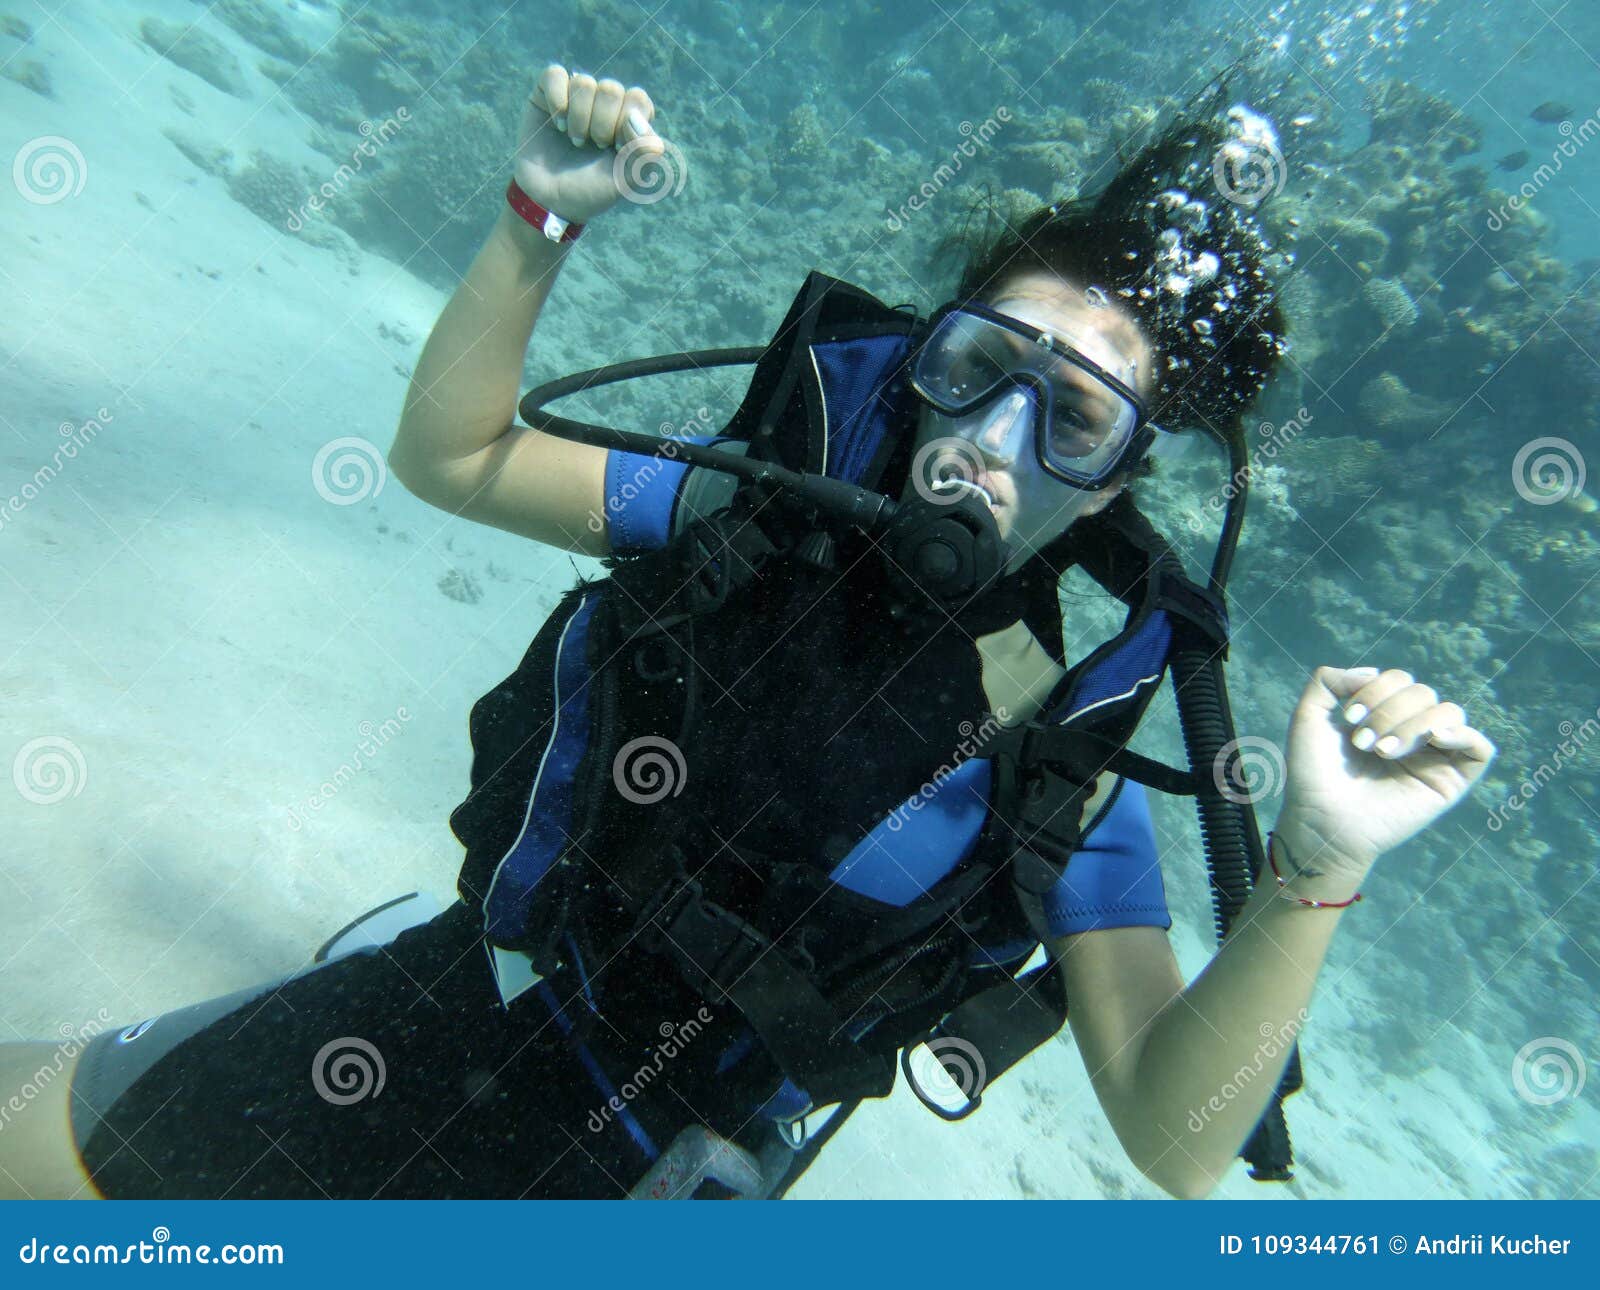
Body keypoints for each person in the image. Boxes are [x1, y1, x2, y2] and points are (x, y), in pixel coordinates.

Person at [0, 66, 1495, 1201]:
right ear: (920, 365)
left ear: (1118, 478)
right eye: (978, 365)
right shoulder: (751, 510)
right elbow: (453, 456)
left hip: (667, 1169)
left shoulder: (1066, 765)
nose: (999, 434)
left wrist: (1318, 870)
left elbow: (1174, 1138)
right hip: (468, 988)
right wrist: (537, 219)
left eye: (1079, 418)